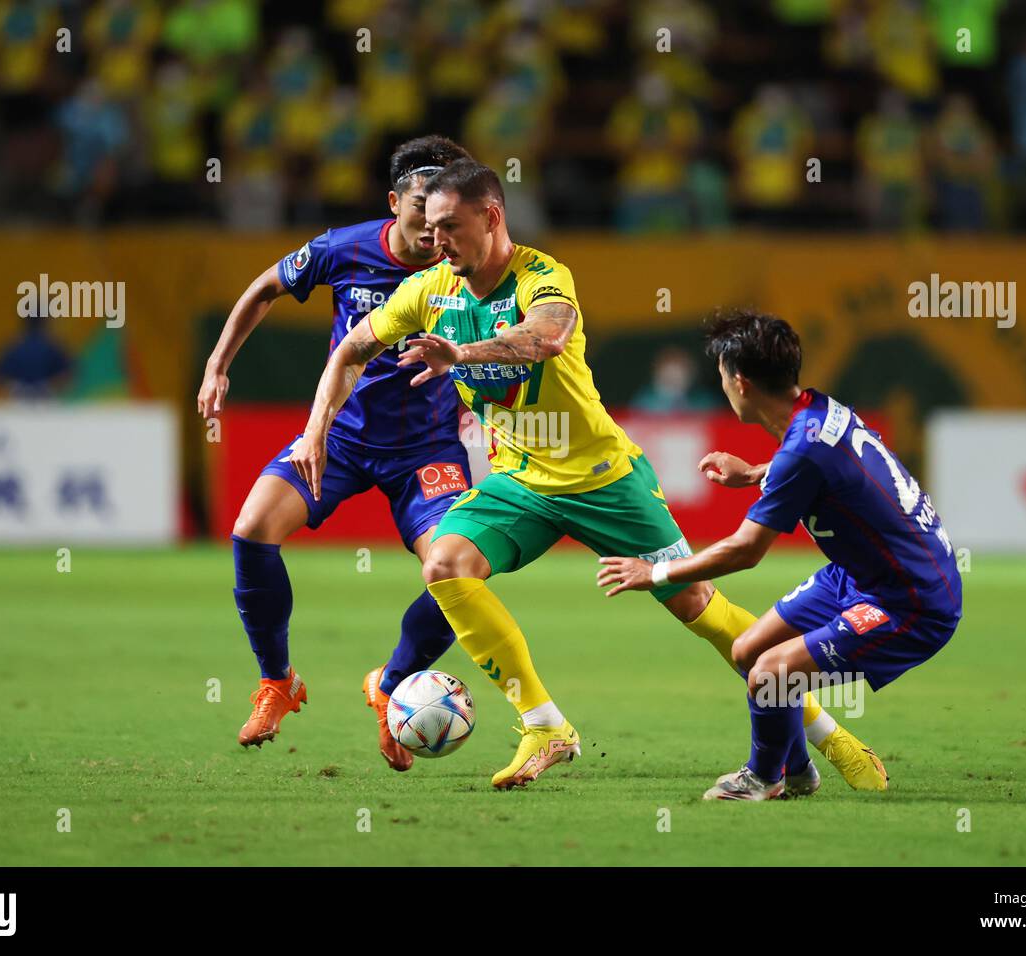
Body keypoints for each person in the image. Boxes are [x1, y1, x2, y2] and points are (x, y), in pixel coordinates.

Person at [291, 160, 886, 791]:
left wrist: (460, 353)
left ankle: (830, 734)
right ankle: (544, 724)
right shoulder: (427, 290)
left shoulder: (543, 277)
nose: (436, 241)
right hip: (520, 482)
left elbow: (545, 339)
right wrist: (315, 430)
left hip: (604, 479)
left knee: (699, 607)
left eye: (450, 227)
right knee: (444, 562)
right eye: (431, 229)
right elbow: (350, 352)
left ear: (492, 218)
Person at [598, 310, 961, 800]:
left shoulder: (801, 450)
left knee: (772, 674)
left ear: (741, 382)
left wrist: (656, 572)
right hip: (860, 574)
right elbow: (816, 463)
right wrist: (753, 474)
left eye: (723, 375)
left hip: (911, 601)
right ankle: (796, 771)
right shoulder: (818, 411)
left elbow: (746, 550)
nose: (722, 384)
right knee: (748, 650)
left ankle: (761, 779)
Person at [196, 135, 473, 771]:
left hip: (425, 451)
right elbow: (263, 288)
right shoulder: (341, 248)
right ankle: (278, 683)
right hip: (338, 437)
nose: (433, 235)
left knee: (458, 574)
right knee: (251, 529)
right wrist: (217, 366)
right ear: (394, 203)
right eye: (418, 217)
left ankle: (392, 683)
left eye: (442, 222)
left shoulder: (464, 265)